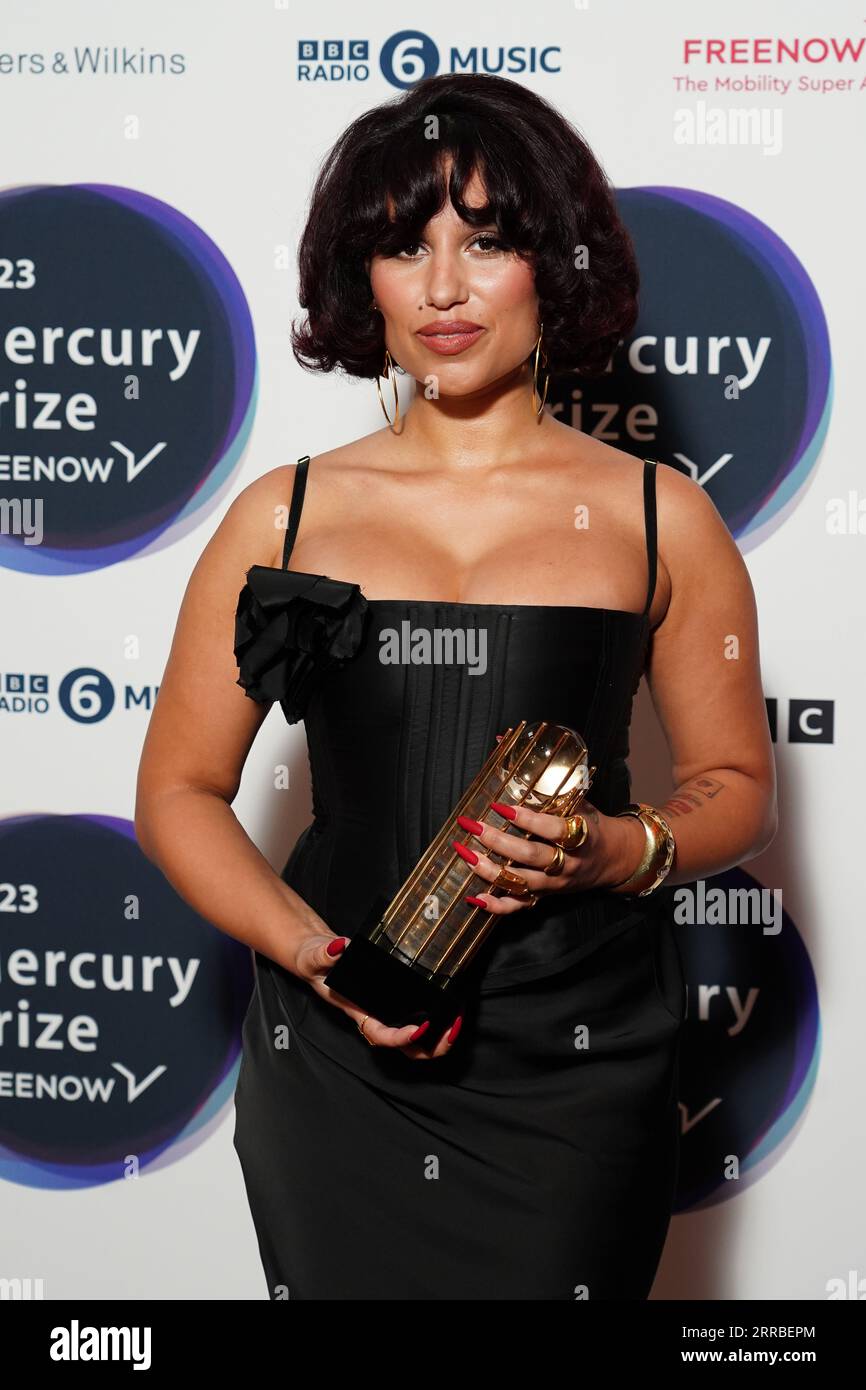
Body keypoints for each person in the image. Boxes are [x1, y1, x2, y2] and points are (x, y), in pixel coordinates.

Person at [135, 72, 777, 1300]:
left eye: (485, 241)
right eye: (399, 245)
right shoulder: (287, 511)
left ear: (553, 264)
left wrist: (610, 850)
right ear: (354, 277)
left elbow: (736, 787)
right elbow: (177, 790)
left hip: (575, 1066)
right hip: (338, 1055)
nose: (440, 287)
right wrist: (318, 957)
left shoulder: (660, 516)